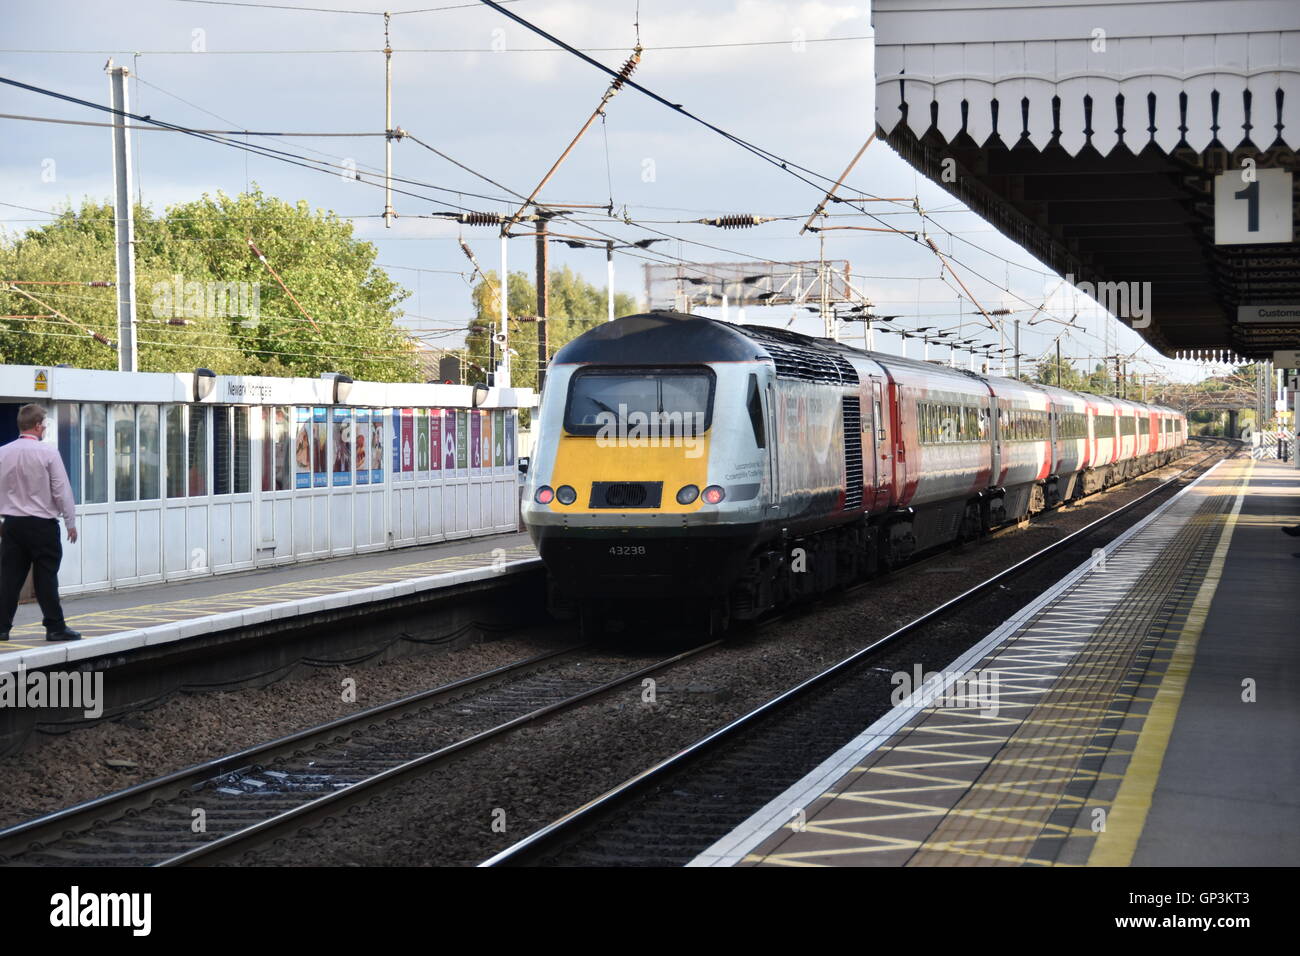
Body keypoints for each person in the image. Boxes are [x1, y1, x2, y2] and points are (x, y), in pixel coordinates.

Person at [0, 404, 80, 641]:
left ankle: (2, 628)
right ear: (37, 426)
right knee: (46, 576)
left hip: (12, 525)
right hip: (42, 525)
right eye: (43, 424)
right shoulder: (48, 453)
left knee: (9, 578)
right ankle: (55, 627)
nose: (44, 428)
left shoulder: (3, 453)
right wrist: (70, 522)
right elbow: (61, 489)